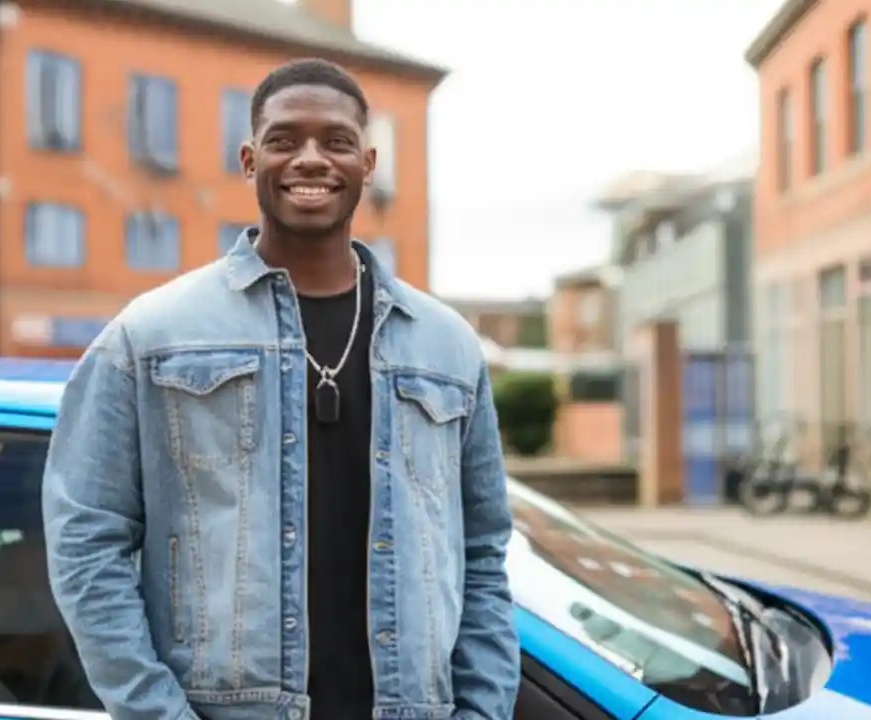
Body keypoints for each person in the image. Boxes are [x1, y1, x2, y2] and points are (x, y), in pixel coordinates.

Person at [42, 57, 519, 720]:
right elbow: (86, 546)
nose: (312, 159)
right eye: (285, 140)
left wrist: (482, 711)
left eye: (337, 141)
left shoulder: (446, 345)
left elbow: (483, 556)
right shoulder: (151, 335)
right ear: (248, 159)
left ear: (369, 163)